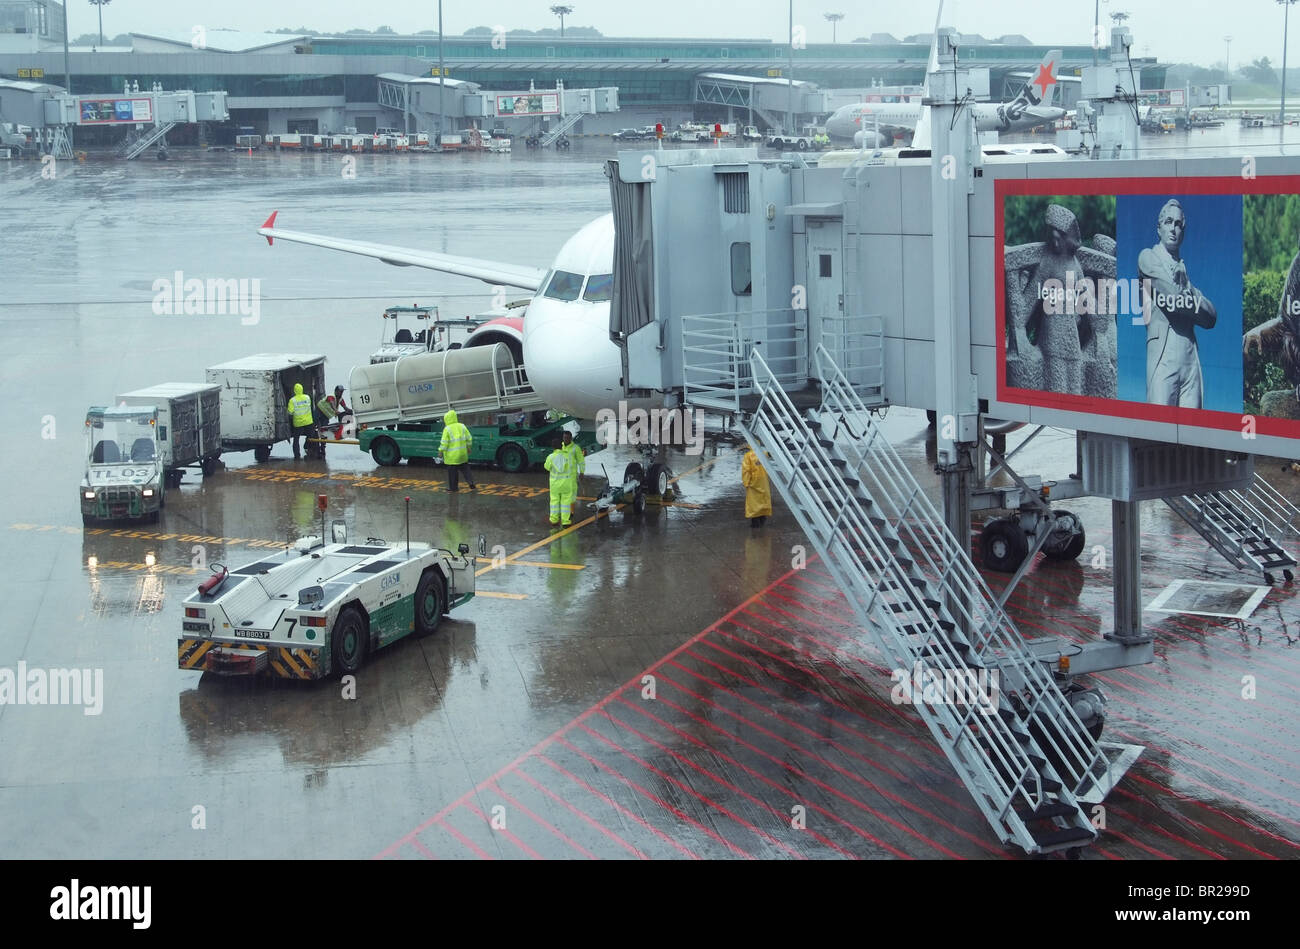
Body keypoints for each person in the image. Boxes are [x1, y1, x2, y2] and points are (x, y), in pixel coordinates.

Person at [1138, 199, 1217, 408]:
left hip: (1190, 359)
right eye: (1168, 222)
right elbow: (1172, 298)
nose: (1173, 229)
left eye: (1179, 224)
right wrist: (1188, 295)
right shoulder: (1148, 257)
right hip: (1163, 356)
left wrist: (1188, 288)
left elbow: (1211, 317)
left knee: (1192, 434)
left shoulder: (1185, 274)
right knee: (1159, 431)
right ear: (1159, 228)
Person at [438, 409, 476, 492]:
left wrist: (440, 451)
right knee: (466, 469)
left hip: (452, 457)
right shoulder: (462, 426)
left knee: (453, 473)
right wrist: (469, 447)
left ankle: (453, 488)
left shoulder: (447, 429)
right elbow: (469, 438)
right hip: (462, 454)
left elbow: (444, 443)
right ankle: (471, 482)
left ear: (447, 419)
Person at [544, 436, 577, 527]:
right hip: (567, 483)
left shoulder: (551, 457)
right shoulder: (568, 456)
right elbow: (572, 467)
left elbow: (546, 467)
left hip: (555, 484)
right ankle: (566, 521)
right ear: (561, 445)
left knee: (554, 501)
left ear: (553, 447)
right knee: (566, 502)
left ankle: (554, 520)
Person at [741, 447, 772, 527]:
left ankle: (755, 522)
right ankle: (763, 517)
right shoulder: (763, 453)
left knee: (753, 502)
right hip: (763, 480)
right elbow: (770, 455)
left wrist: (746, 483)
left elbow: (746, 470)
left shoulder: (747, 456)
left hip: (753, 482)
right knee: (763, 499)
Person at [287, 382, 315, 459]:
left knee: (296, 439)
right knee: (310, 437)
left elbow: (290, 412)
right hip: (308, 421)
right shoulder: (307, 397)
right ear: (302, 389)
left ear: (294, 391)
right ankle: (308, 448)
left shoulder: (292, 400)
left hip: (298, 423)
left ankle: (297, 456)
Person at [561, 430, 585, 517]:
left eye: (567, 438)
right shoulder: (561, 447)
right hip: (561, 475)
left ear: (571, 438)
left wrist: (582, 472)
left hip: (571, 476)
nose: (565, 439)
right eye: (564, 438)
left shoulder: (576, 448)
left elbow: (581, 461)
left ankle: (571, 511)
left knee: (571, 494)